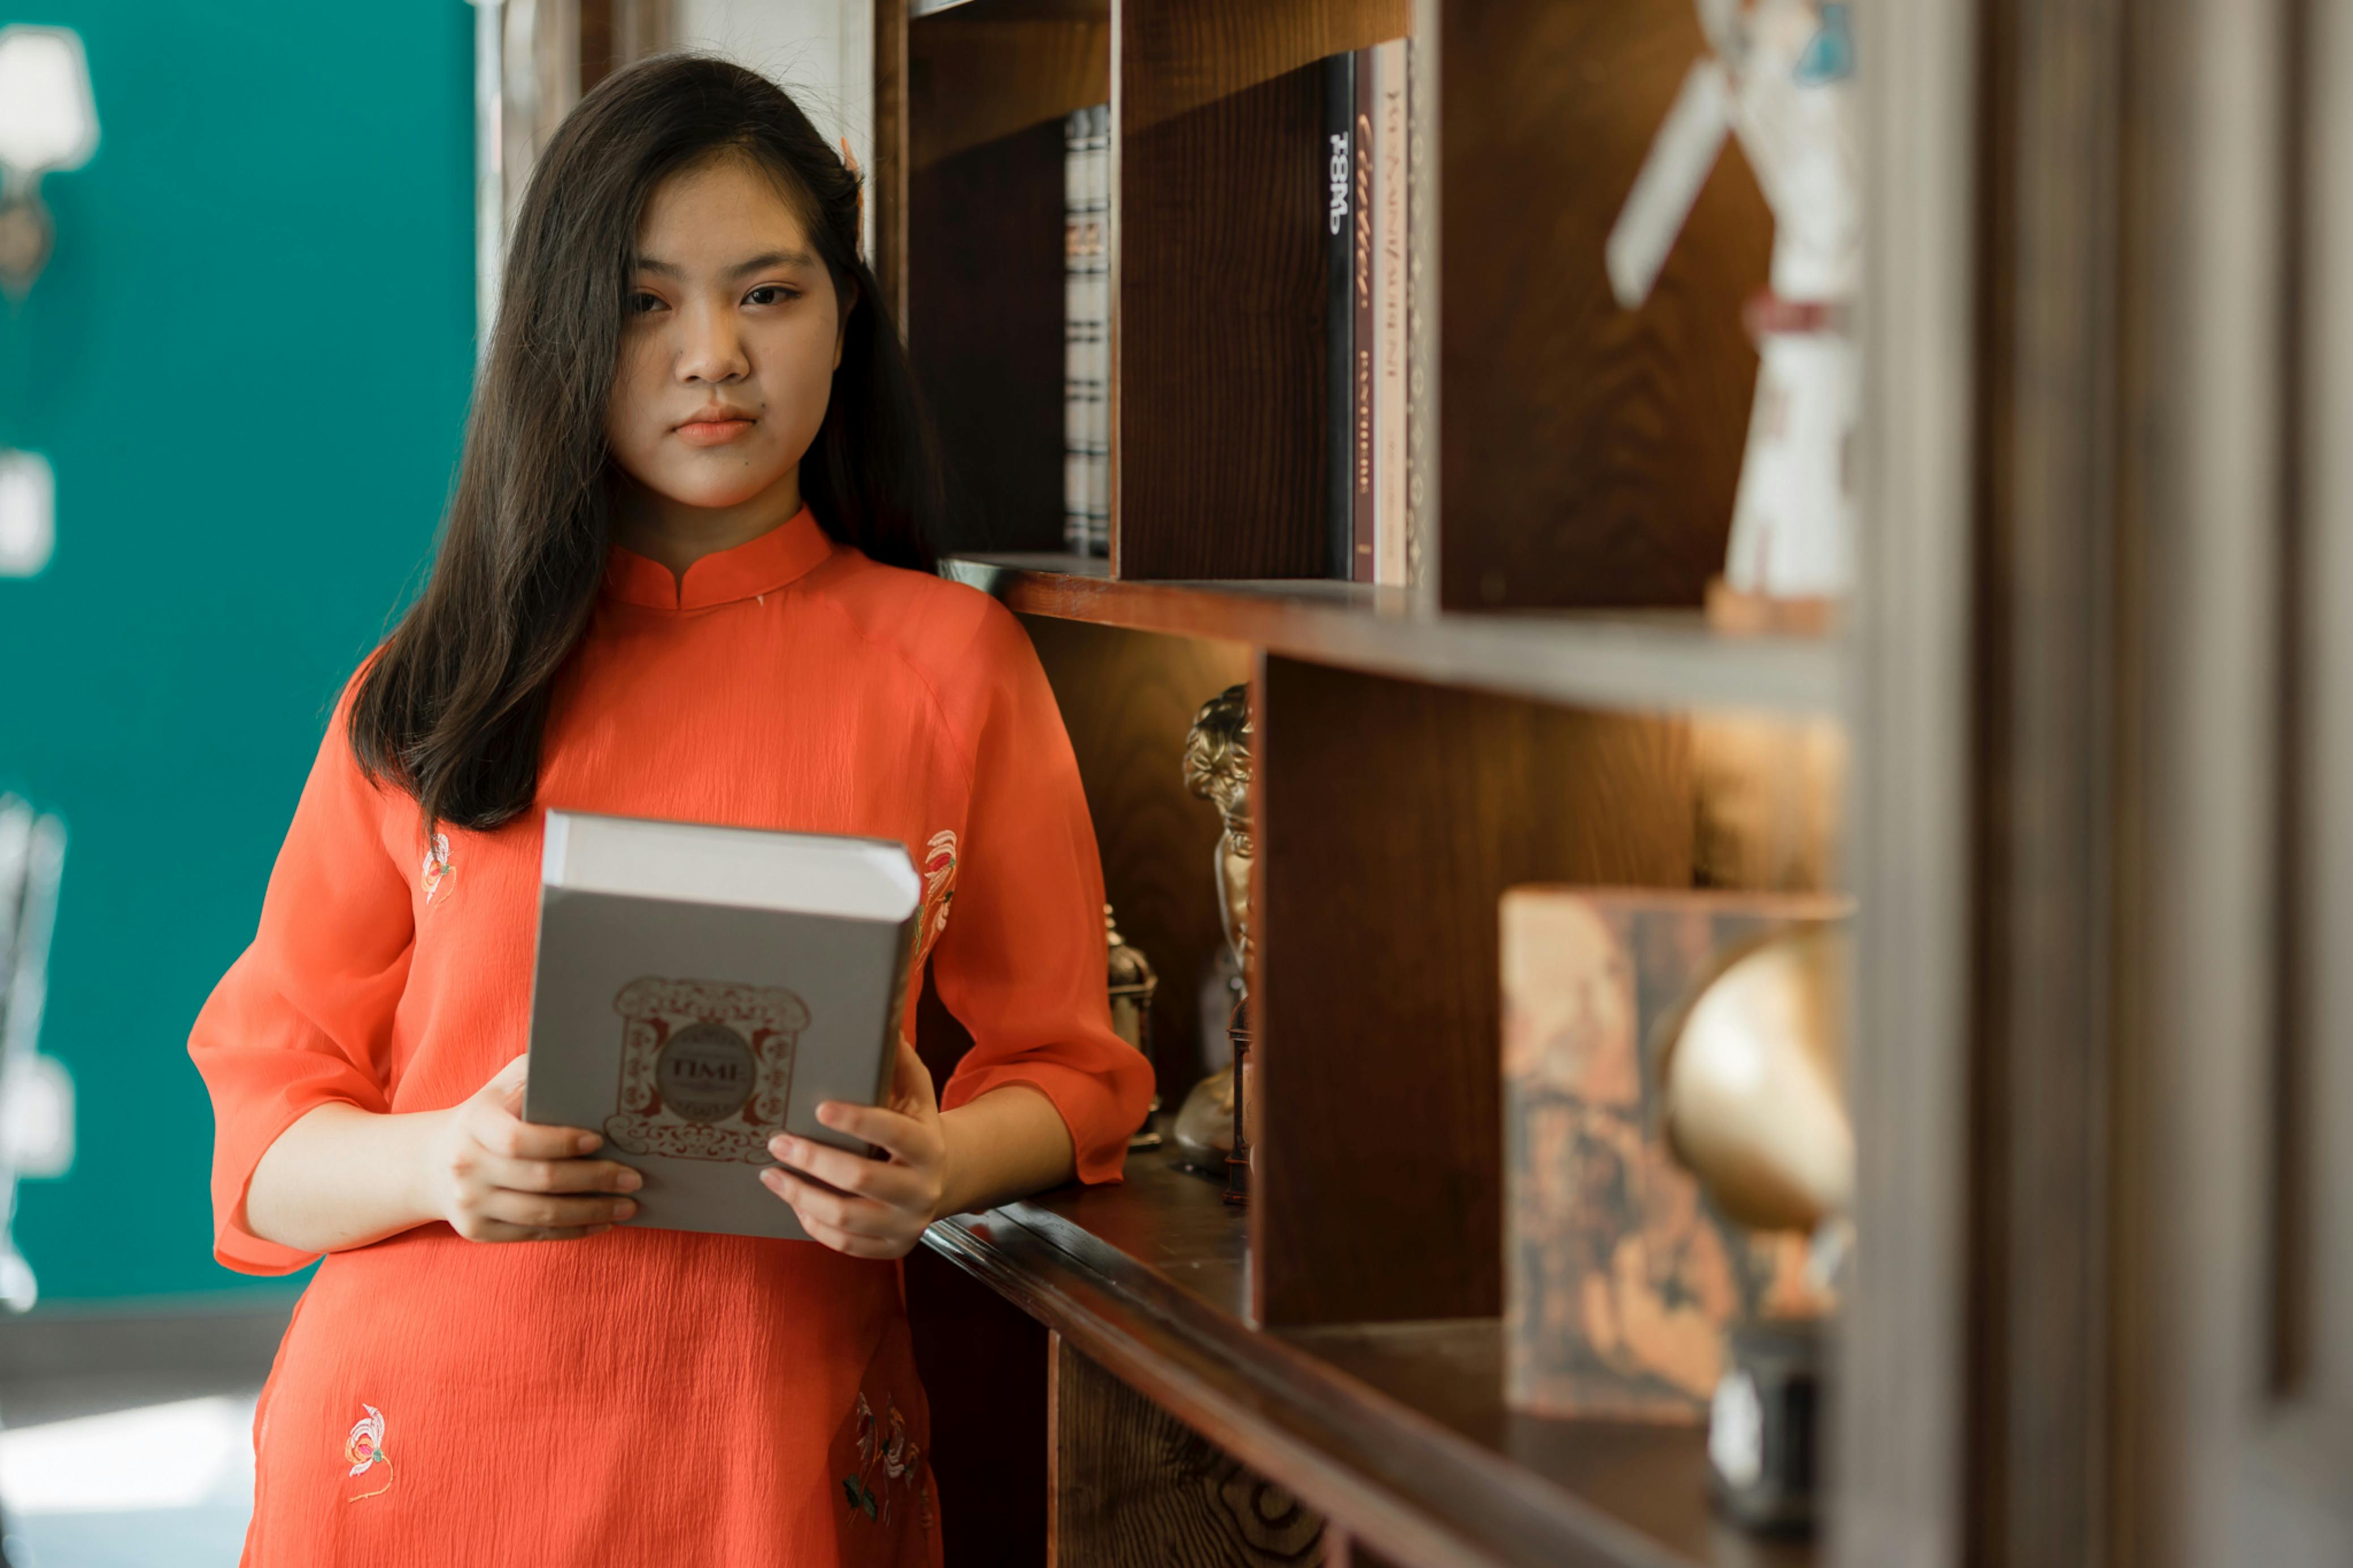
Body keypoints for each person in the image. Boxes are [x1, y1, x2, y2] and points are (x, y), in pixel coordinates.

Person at [186, 53, 1152, 1566]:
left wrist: (941, 1166)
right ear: (566, 333)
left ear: (843, 316)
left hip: (764, 1457)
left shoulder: (953, 665)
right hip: (412, 1460)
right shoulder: (433, 687)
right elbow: (260, 1147)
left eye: (768, 294)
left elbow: (1075, 1068)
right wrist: (442, 1160)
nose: (714, 356)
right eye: (646, 304)